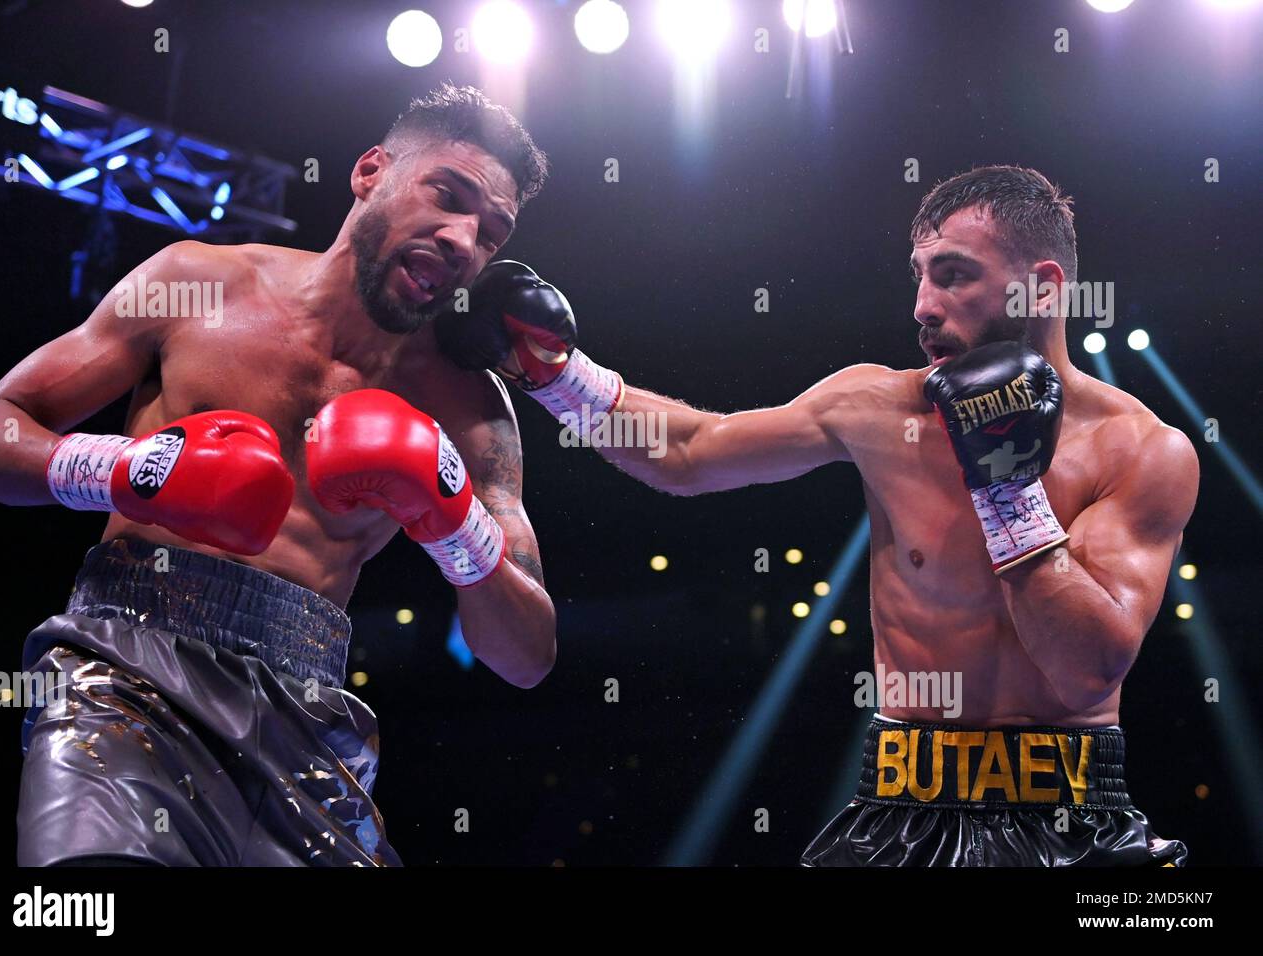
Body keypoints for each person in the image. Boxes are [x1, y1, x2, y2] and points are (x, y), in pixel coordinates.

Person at [436, 165, 1199, 866]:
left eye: (954, 276)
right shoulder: (878, 404)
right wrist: (553, 373)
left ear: (1043, 286)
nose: (922, 307)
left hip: (1070, 820)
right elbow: (692, 452)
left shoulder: (1140, 451)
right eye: (918, 276)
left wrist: (1007, 486)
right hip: (900, 808)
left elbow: (1084, 668)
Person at [0, 83, 556, 866]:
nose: (462, 240)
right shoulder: (200, 282)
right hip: (124, 668)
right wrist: (126, 470)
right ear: (370, 171)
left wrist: (455, 525)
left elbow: (527, 654)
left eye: (491, 234)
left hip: (308, 720)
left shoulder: (471, 409)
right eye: (448, 196)